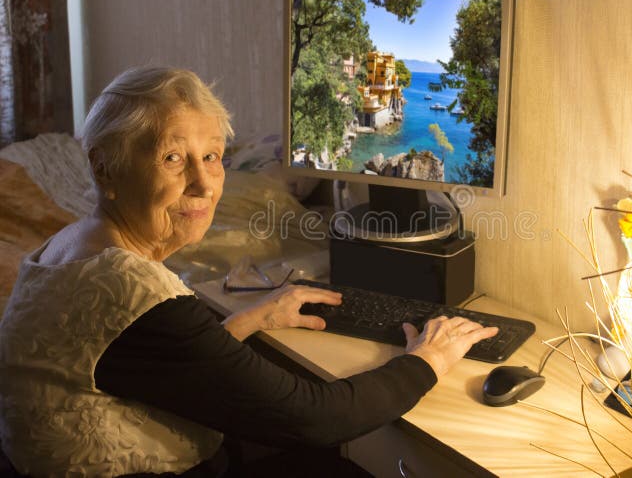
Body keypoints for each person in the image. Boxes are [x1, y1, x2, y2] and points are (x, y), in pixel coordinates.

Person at [0, 67, 497, 477]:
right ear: (104, 169)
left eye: (212, 157)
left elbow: (151, 361)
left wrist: (250, 320)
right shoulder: (130, 291)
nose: (203, 184)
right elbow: (316, 417)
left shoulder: (65, 245)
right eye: (173, 158)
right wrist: (427, 358)